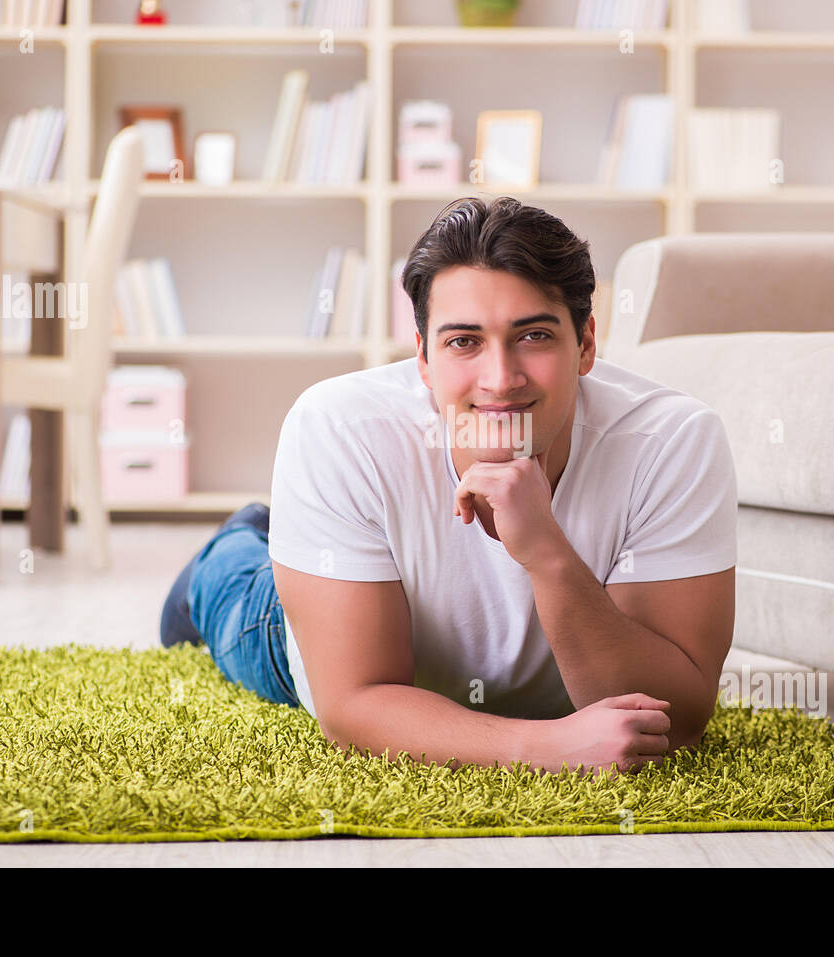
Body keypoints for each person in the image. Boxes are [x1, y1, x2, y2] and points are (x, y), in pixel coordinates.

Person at [161, 196, 737, 777]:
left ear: (586, 343)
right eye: (464, 341)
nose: (500, 379)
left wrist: (547, 554)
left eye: (534, 336)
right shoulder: (340, 426)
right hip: (285, 619)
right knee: (232, 591)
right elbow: (355, 702)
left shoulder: (673, 440)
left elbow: (678, 717)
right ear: (424, 359)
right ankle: (237, 541)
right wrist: (550, 749)